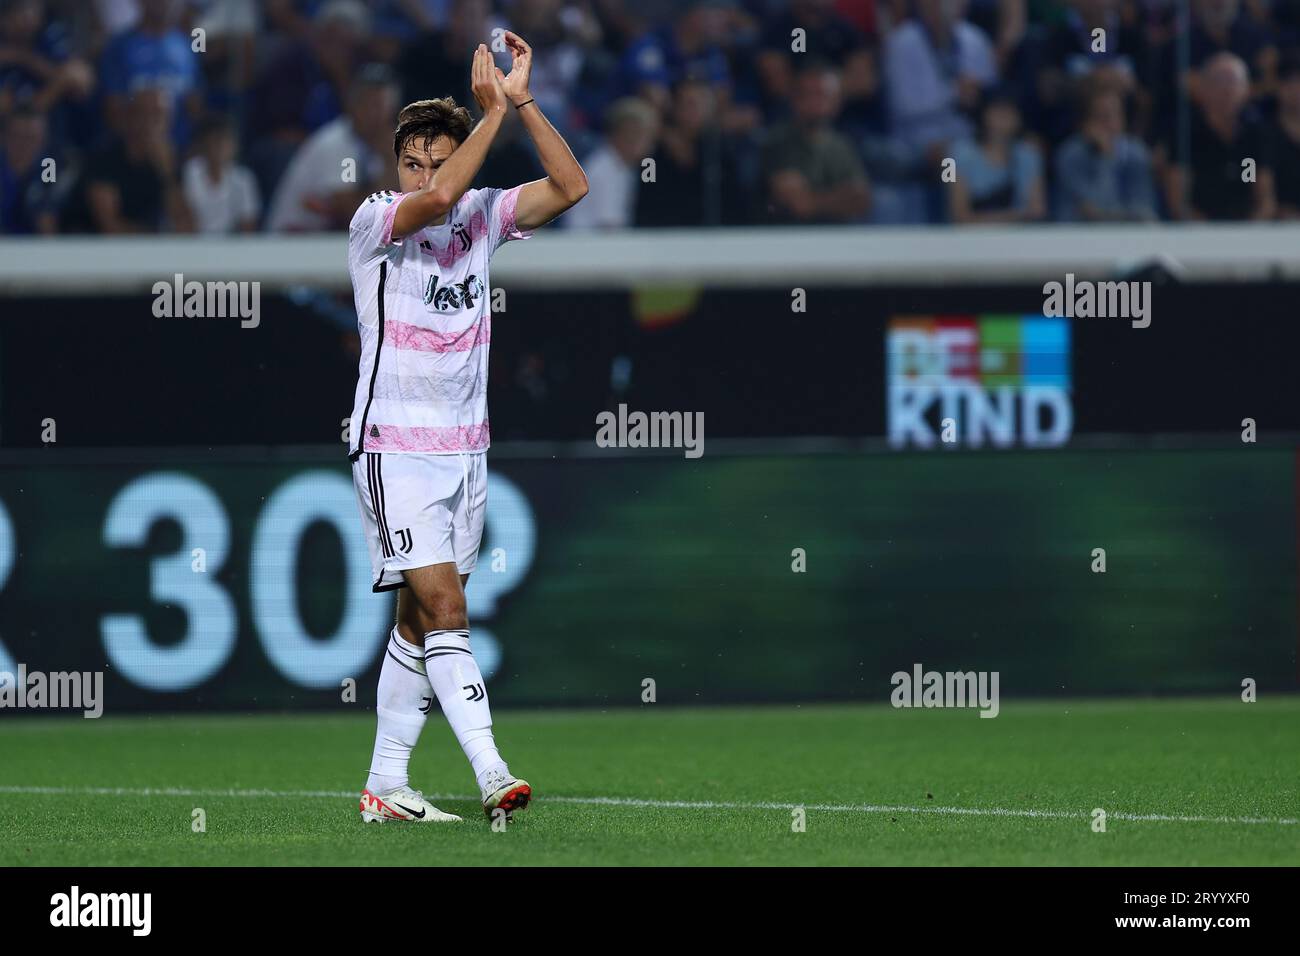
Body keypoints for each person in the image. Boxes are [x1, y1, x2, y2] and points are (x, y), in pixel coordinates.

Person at [348, 32, 588, 824]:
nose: (423, 175)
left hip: (466, 450)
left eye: (435, 160)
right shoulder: (376, 220)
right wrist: (487, 117)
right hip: (394, 445)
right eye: (411, 162)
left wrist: (518, 102)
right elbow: (440, 199)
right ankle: (493, 773)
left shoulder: (484, 215)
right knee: (449, 608)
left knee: (418, 623)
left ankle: (385, 785)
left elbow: (572, 183)